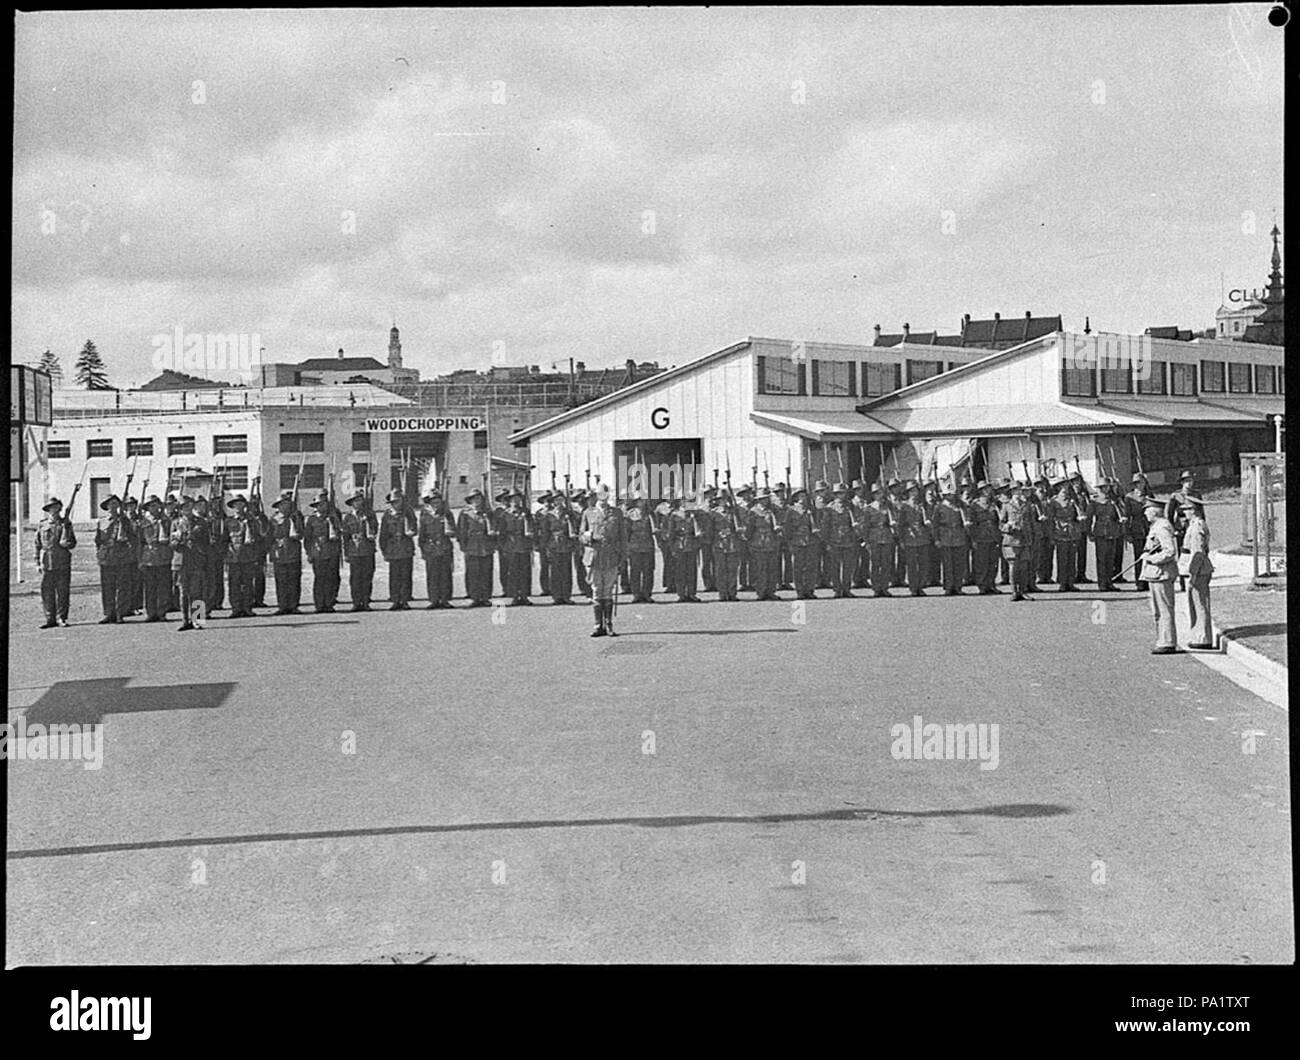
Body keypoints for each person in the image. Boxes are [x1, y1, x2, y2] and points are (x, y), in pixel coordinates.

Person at [580, 483, 627, 636]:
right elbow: (580, 535)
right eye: (600, 494)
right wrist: (587, 538)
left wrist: (623, 557)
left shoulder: (617, 513)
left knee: (608, 590)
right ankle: (597, 625)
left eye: (605, 494)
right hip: (594, 556)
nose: (603, 496)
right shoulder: (588, 513)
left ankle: (609, 624)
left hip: (611, 556)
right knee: (596, 590)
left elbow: (623, 537)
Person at [1138, 497, 1180, 654]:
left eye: (1147, 511)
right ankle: (1163, 639)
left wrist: (1150, 559)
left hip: (1161, 573)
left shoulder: (1161, 527)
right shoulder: (1157, 525)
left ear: (1154, 512)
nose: (1146, 514)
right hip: (1156, 574)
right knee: (1159, 610)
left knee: (1164, 609)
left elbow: (1169, 551)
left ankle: (1167, 641)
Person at [170, 494, 212, 630]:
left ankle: (198, 620)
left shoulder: (201, 522)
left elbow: (207, 542)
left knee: (197, 591)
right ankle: (185, 620)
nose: (186, 509)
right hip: (181, 561)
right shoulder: (176, 523)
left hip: (196, 560)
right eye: (183, 507)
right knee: (183, 592)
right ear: (180, 509)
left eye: (188, 506)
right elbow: (172, 544)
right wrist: (179, 539)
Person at [1180, 496, 1215, 650]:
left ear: (1193, 511)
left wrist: (1193, 573)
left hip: (1199, 570)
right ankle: (1198, 635)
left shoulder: (1197, 527)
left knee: (1200, 604)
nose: (1184, 513)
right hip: (1198, 568)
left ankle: (1203, 637)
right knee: (1196, 603)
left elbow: (1198, 552)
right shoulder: (1194, 525)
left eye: (1186, 510)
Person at [35, 496, 75, 628]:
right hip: (47, 561)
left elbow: (73, 542)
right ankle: (49, 618)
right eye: (51, 508)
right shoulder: (42, 524)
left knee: (63, 591)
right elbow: (37, 544)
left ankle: (61, 618)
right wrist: (37, 562)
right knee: (47, 591)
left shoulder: (66, 524)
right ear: (48, 510)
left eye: (56, 507)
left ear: (60, 508)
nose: (54, 510)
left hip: (62, 561)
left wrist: (67, 542)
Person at [220, 494, 263, 618]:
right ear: (233, 506)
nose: (238, 506)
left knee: (248, 583)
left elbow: (258, 538)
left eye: (241, 503)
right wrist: (226, 553)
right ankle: (236, 608)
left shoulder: (252, 520)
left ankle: (247, 608)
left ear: (244, 505)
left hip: (248, 556)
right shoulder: (228, 521)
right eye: (236, 504)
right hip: (233, 556)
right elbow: (224, 539)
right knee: (234, 584)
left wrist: (256, 553)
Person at [94, 494, 135, 623]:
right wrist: (100, 554)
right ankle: (108, 613)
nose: (113, 506)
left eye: (115, 504)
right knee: (107, 587)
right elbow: (98, 540)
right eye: (110, 504)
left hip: (121, 557)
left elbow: (132, 537)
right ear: (106, 506)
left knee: (122, 586)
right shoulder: (102, 522)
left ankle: (120, 613)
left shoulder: (124, 520)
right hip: (106, 557)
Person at [302, 490, 343, 613]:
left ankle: (329, 603)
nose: (321, 507)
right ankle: (319, 605)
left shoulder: (333, 517)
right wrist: (309, 553)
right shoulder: (312, 520)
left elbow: (340, 531)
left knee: (331, 578)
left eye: (323, 504)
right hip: (318, 552)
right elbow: (307, 538)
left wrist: (334, 520)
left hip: (331, 552)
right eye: (318, 505)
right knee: (319, 579)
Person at [457, 488, 497, 606]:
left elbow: (493, 528)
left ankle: (485, 597)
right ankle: (474, 597)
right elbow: (461, 530)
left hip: (486, 545)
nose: (477, 501)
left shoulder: (488, 513)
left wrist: (493, 541)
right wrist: (463, 545)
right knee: (472, 573)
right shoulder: (465, 513)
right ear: (470, 501)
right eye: (474, 499)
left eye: (479, 498)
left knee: (486, 572)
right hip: (472, 545)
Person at [378, 489, 416, 610]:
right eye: (394, 502)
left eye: (398, 501)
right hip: (393, 549)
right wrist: (384, 550)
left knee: (405, 576)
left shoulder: (408, 512)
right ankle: (395, 600)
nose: (396, 504)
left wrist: (410, 532)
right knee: (394, 576)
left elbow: (414, 527)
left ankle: (405, 600)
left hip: (405, 548)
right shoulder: (387, 515)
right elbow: (383, 535)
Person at [137, 495, 174, 621]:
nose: (154, 508)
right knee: (149, 587)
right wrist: (140, 559)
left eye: (156, 505)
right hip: (149, 557)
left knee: (163, 587)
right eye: (151, 506)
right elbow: (140, 542)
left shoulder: (167, 520)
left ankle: (162, 612)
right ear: (147, 508)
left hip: (164, 556)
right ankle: (151, 613)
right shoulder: (144, 522)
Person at [820, 483, 860, 598]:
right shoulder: (829, 507)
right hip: (834, 541)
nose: (840, 495)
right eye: (838, 493)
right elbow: (825, 526)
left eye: (842, 493)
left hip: (848, 540)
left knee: (848, 567)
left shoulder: (850, 506)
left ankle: (846, 589)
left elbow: (857, 520)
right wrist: (826, 541)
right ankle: (837, 589)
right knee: (834, 567)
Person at [417, 489, 456, 609]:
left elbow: (453, 530)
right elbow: (422, 533)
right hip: (430, 548)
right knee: (432, 575)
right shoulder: (425, 514)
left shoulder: (447, 514)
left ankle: (445, 599)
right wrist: (422, 549)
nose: (436, 504)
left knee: (445, 575)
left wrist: (450, 531)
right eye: (433, 502)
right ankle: (434, 600)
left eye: (438, 502)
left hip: (444, 547)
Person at [341, 489, 379, 611]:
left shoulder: (369, 514)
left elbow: (374, 530)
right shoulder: (347, 517)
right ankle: (356, 602)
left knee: (367, 577)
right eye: (355, 501)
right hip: (354, 551)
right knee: (355, 578)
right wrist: (346, 553)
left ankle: (366, 601)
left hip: (367, 550)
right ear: (351, 503)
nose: (358, 502)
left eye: (360, 500)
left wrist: (368, 520)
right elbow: (345, 537)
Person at [1089, 480, 1127, 593]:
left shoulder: (1114, 501)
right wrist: (1088, 532)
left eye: (1106, 487)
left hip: (1112, 531)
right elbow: (1089, 518)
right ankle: (1102, 583)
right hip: (1100, 532)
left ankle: (1109, 582)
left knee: (1110, 559)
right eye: (1102, 488)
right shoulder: (1094, 502)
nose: (1104, 490)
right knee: (1102, 559)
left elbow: (1121, 514)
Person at [497, 490, 534, 606]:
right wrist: (502, 546)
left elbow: (531, 527)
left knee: (524, 571)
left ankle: (524, 595)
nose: (516, 501)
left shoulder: (526, 512)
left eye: (518, 499)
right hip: (510, 545)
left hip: (523, 545)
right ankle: (514, 595)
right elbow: (501, 531)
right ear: (509, 501)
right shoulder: (505, 514)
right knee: (512, 572)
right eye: (513, 499)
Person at [998, 481, 1033, 602]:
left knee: (1023, 566)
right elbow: (1001, 524)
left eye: (1019, 490)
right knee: (1013, 566)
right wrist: (1008, 526)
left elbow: (1031, 522)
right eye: (1016, 490)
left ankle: (1023, 591)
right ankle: (1014, 591)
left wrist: (1030, 537)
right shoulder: (1007, 505)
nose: (1018, 492)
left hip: (1024, 539)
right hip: (1012, 540)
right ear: (1012, 492)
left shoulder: (1027, 504)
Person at [745, 489, 783, 600]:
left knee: (772, 569)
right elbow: (750, 529)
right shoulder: (753, 512)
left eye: (766, 498)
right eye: (762, 499)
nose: (764, 501)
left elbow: (777, 525)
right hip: (758, 544)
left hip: (771, 543)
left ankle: (771, 591)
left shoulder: (772, 511)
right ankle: (761, 592)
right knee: (760, 570)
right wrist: (748, 541)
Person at [932, 485, 969, 596]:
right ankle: (948, 587)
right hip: (945, 537)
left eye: (952, 494)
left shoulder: (960, 506)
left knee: (959, 564)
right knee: (947, 564)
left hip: (958, 536)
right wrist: (937, 539)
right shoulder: (939, 507)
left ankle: (958, 586)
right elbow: (935, 525)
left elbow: (965, 520)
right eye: (948, 495)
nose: (950, 496)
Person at [782, 488, 819, 599]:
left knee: (811, 567)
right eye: (801, 496)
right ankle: (800, 591)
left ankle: (810, 590)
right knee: (798, 568)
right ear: (796, 498)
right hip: (797, 542)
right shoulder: (791, 510)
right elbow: (787, 527)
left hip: (810, 541)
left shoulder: (811, 509)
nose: (803, 498)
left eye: (805, 496)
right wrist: (789, 541)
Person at [967, 481, 1002, 595]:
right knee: (981, 563)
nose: (988, 491)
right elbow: (971, 524)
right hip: (980, 537)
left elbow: (999, 520)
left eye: (989, 489)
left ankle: (991, 584)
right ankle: (982, 585)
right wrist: (973, 539)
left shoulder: (994, 504)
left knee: (993, 563)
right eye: (985, 489)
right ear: (980, 491)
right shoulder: (974, 505)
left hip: (993, 536)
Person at [896, 482, 930, 596]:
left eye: (915, 491)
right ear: (907, 493)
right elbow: (901, 524)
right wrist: (901, 539)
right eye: (911, 491)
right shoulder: (904, 506)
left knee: (924, 564)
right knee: (911, 565)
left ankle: (921, 586)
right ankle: (913, 587)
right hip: (910, 537)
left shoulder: (922, 505)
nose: (913, 493)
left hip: (923, 537)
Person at [623, 491, 658, 603]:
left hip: (648, 547)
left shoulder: (651, 515)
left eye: (645, 500)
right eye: (641, 500)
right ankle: (636, 594)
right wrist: (626, 547)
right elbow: (626, 532)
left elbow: (655, 529)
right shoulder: (631, 515)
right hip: (634, 547)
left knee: (648, 572)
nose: (643, 502)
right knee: (635, 572)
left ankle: (647, 594)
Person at [862, 483, 896, 598]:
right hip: (874, 537)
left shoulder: (888, 506)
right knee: (875, 564)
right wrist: (866, 540)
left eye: (880, 493)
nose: (879, 495)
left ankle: (885, 587)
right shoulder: (868, 508)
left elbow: (893, 519)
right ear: (873, 495)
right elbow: (865, 526)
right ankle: (876, 588)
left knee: (886, 563)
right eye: (876, 493)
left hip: (886, 537)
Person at [1124, 472, 1153, 592]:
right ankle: (1140, 582)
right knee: (1139, 557)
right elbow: (1127, 516)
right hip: (1136, 528)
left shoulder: (1150, 496)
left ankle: (1149, 580)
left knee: (1150, 556)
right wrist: (1127, 533)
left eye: (1140, 483)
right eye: (1136, 483)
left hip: (1148, 528)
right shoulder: (1129, 497)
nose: (1139, 486)